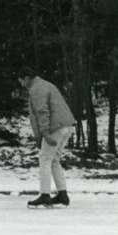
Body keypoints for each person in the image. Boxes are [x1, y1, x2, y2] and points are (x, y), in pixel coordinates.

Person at [18, 66, 75, 208]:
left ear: (27, 78)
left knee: (44, 159)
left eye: (21, 81)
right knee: (54, 159)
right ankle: (62, 194)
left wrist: (44, 132)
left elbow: (42, 111)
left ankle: (45, 195)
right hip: (66, 125)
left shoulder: (37, 88)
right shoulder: (46, 84)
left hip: (55, 127)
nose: (21, 84)